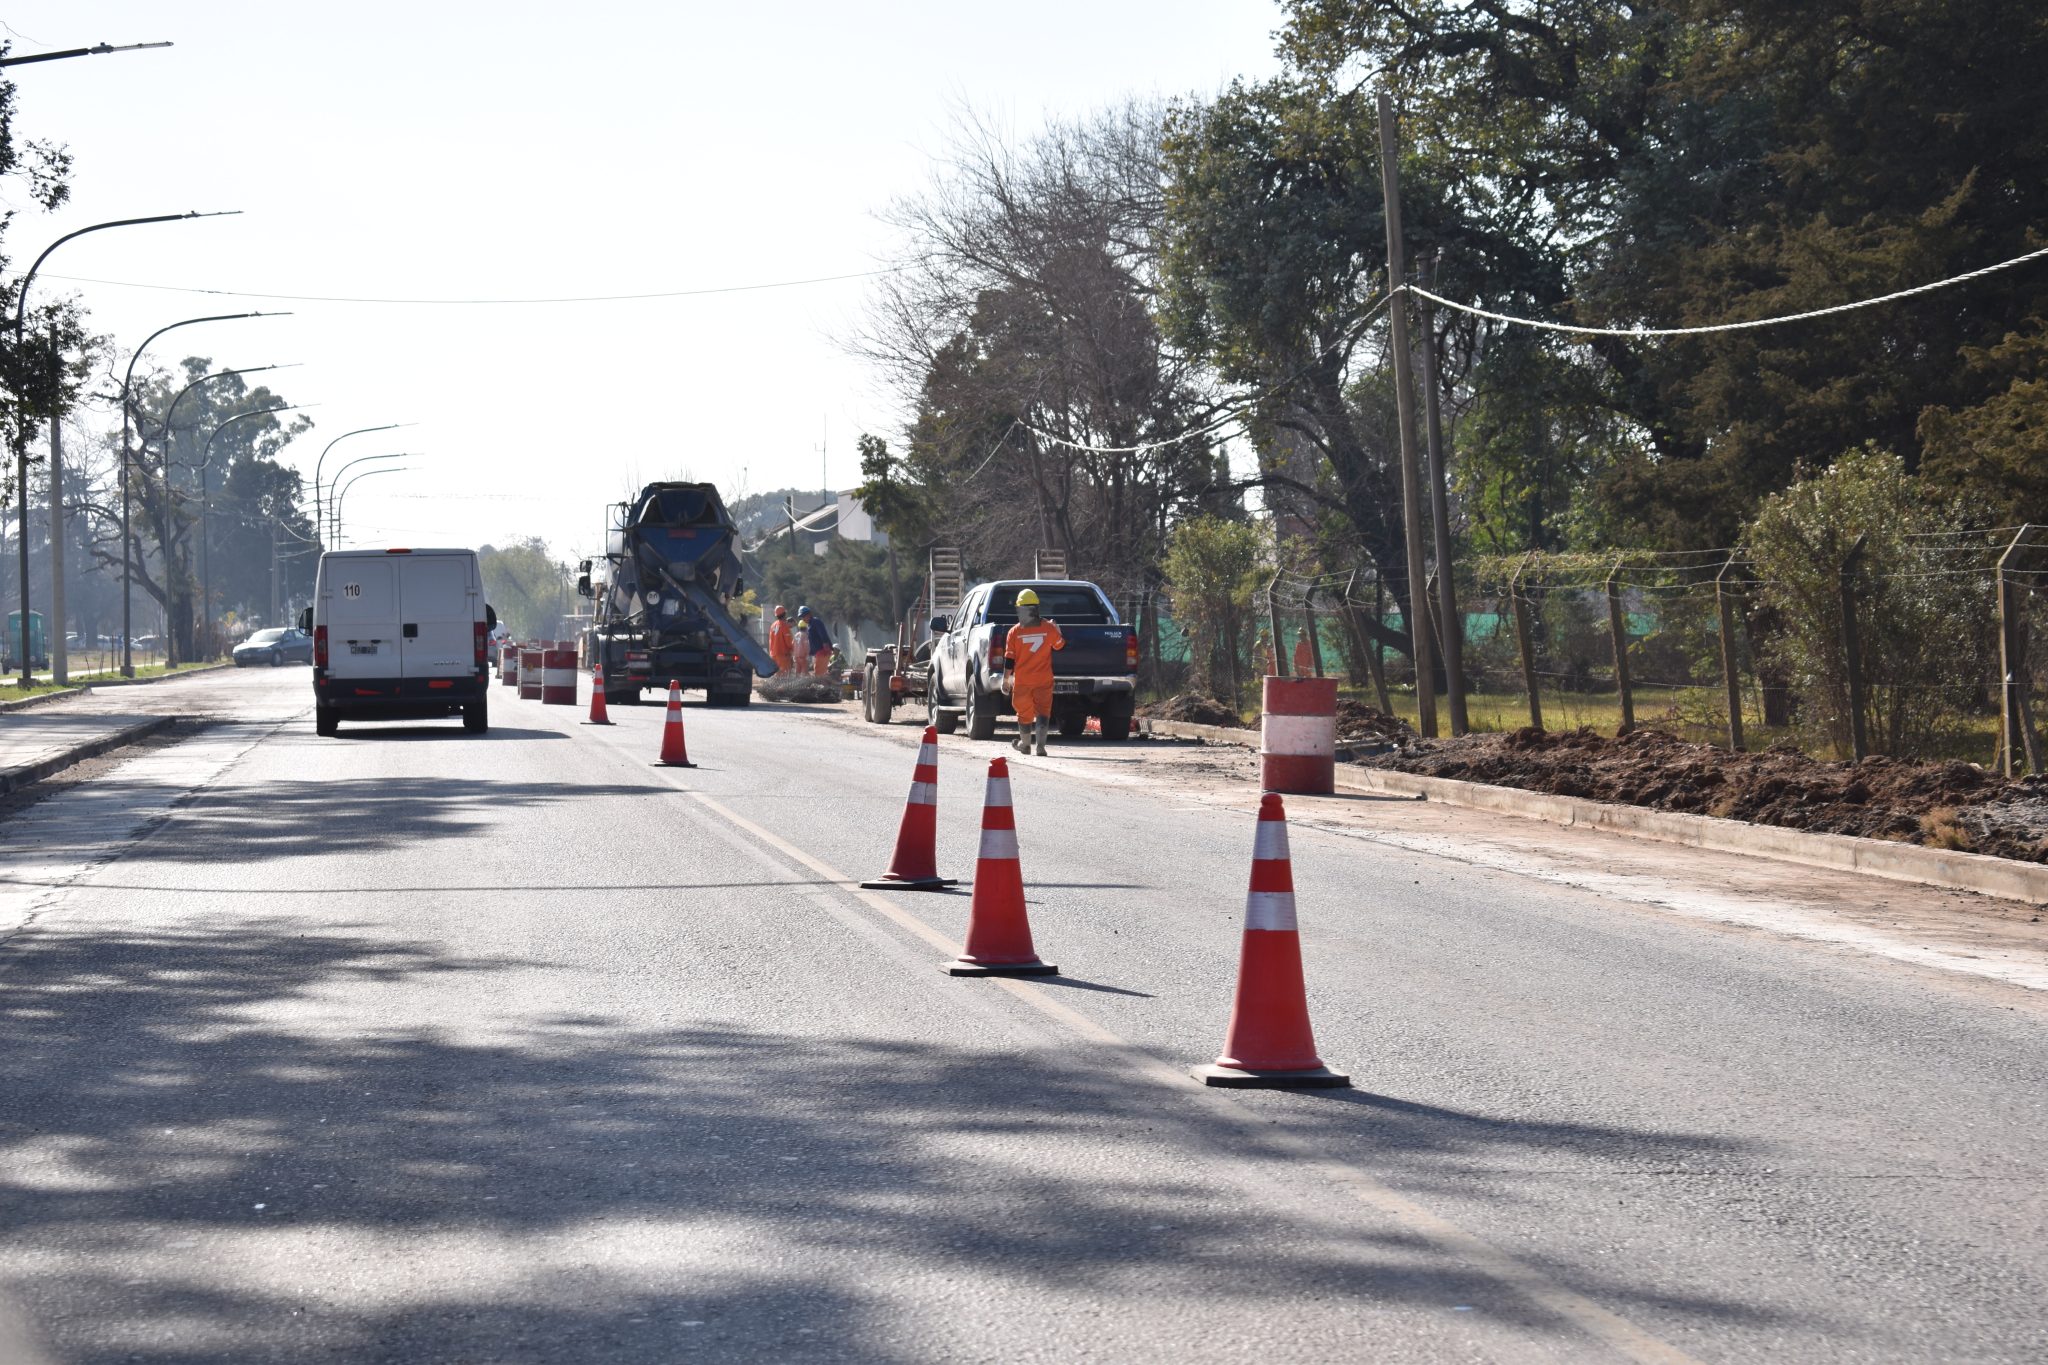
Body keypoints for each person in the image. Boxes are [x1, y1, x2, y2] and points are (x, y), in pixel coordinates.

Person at [1002, 588, 1065, 756]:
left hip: (1022, 681)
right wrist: (1057, 629)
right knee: (1043, 712)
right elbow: (1059, 645)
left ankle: (1025, 744)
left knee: (1024, 713)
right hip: (1044, 679)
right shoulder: (1048, 628)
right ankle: (1041, 747)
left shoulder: (1014, 632)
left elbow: (1009, 659)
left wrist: (1005, 680)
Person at [803, 607, 834, 677]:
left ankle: (826, 687)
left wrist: (826, 645)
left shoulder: (816, 621)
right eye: (801, 617)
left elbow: (823, 633)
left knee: (819, 674)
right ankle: (827, 686)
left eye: (803, 616)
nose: (803, 619)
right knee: (819, 673)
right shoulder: (809, 625)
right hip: (818, 652)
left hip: (822, 651)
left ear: (809, 615)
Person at [768, 605, 795, 673]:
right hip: (783, 656)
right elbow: (789, 642)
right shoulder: (784, 625)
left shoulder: (773, 625)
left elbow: (770, 640)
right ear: (784, 614)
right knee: (784, 678)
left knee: (777, 676)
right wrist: (794, 649)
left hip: (773, 655)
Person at [792, 604, 812, 675]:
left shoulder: (796, 635)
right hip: (803, 657)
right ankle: (805, 685)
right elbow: (806, 646)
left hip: (796, 657)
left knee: (797, 672)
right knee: (805, 672)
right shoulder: (805, 635)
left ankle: (795, 685)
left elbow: (793, 645)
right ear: (806, 627)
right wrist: (808, 655)